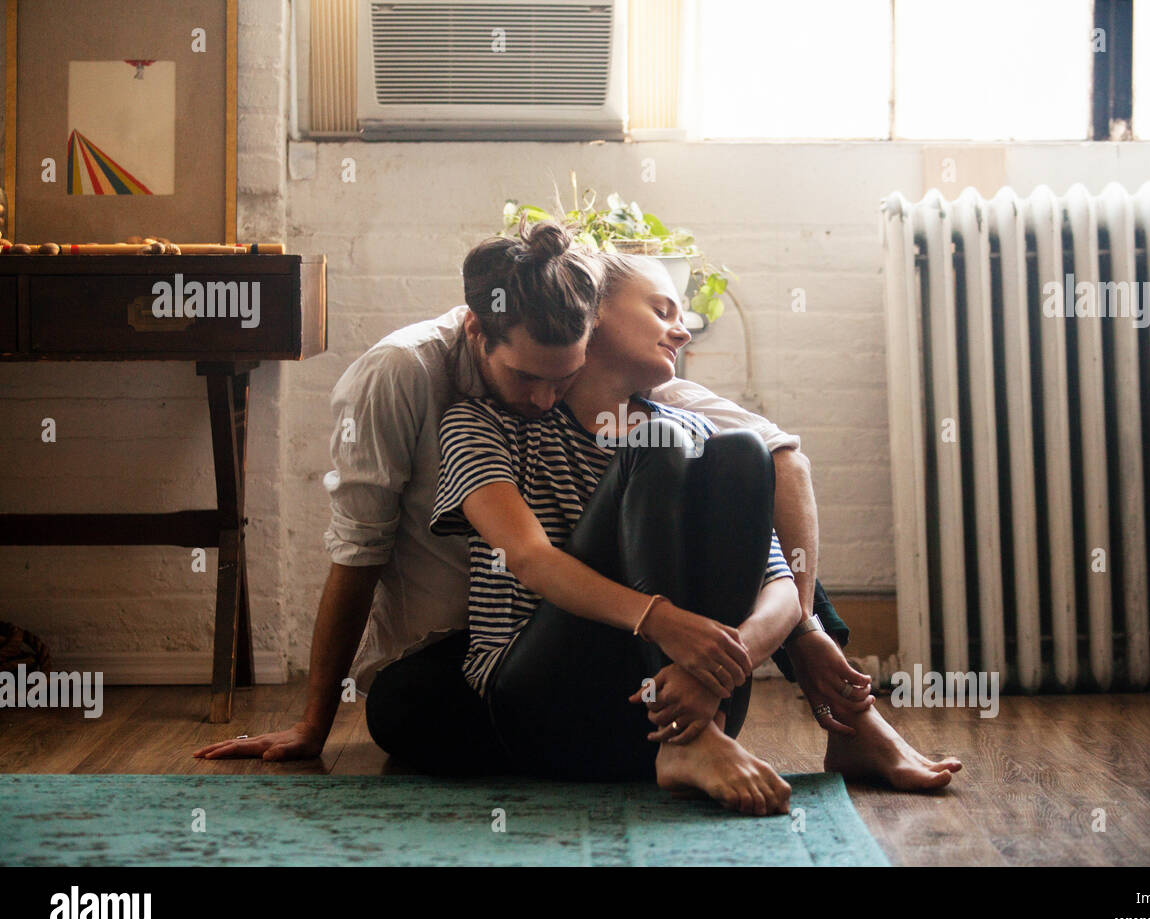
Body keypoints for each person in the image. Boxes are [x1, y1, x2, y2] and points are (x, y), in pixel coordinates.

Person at [195, 222, 960, 794]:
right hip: (524, 675)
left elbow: (780, 511)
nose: (541, 397)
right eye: (527, 376)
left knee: (732, 453)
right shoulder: (464, 411)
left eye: (555, 380)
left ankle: (731, 732)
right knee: (665, 451)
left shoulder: (666, 406)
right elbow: (499, 557)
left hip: (645, 696)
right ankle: (687, 736)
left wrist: (739, 660)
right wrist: (312, 724)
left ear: (586, 341)